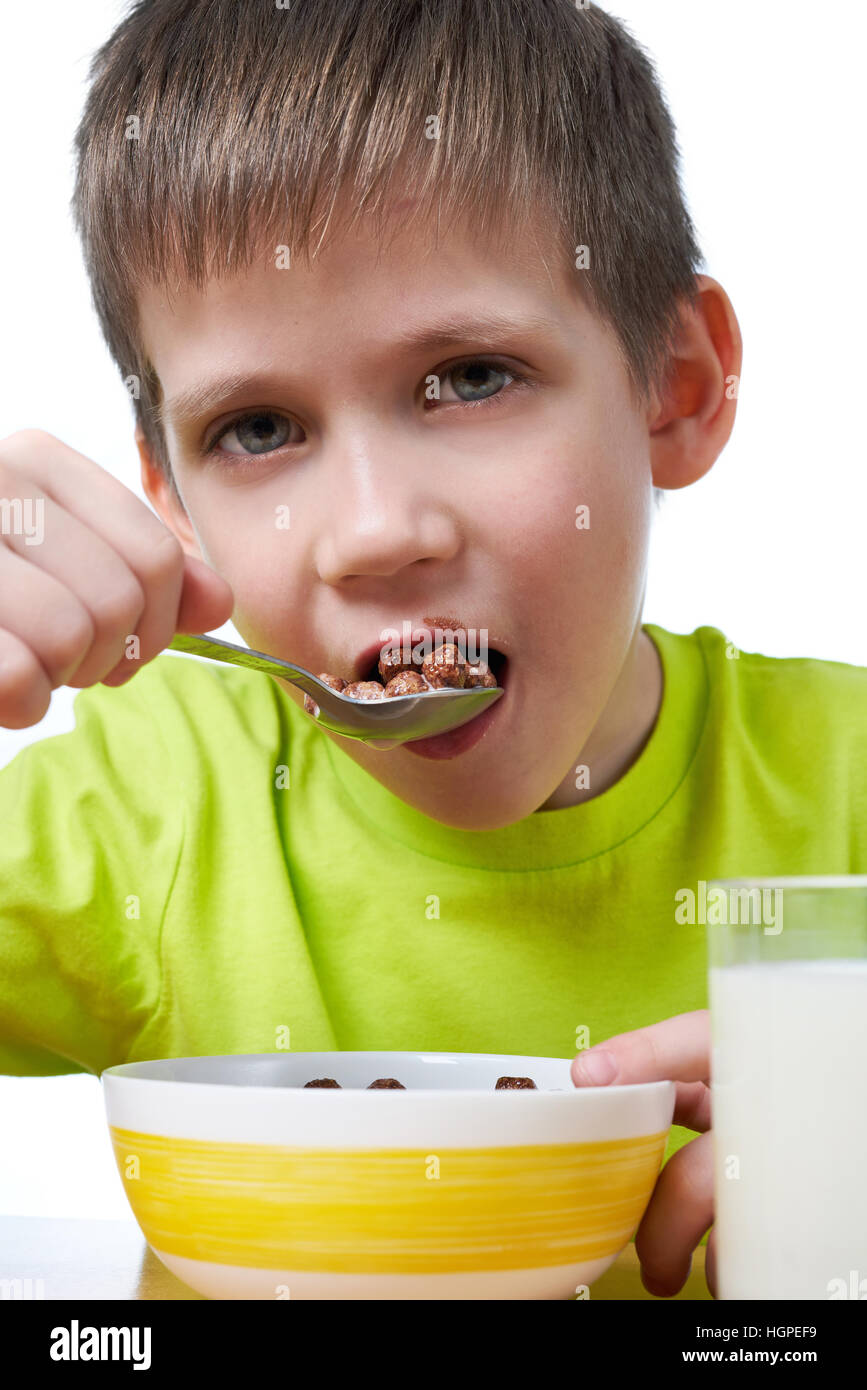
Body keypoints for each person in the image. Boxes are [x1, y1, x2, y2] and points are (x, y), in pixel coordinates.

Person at [1, 0, 863, 1299]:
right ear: (171, 500)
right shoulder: (144, 809)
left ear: (675, 387)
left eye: (467, 378)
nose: (372, 534)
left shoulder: (843, 785)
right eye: (256, 428)